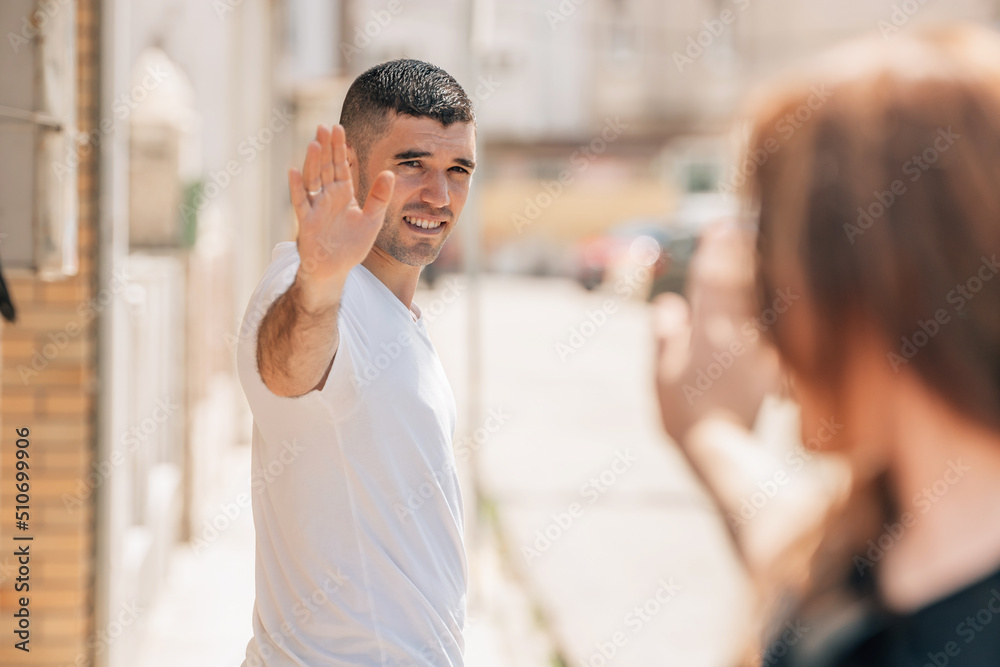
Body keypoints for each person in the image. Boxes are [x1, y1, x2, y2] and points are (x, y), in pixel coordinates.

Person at [653, 24, 1000, 666]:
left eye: (773, 253)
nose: (765, 313)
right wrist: (711, 431)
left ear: (862, 280)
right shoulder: (901, 525)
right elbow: (797, 548)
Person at [237, 59, 477, 666]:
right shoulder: (302, 291)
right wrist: (319, 280)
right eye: (413, 164)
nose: (439, 195)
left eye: (458, 170)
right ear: (351, 166)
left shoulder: (400, 319)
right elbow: (290, 369)